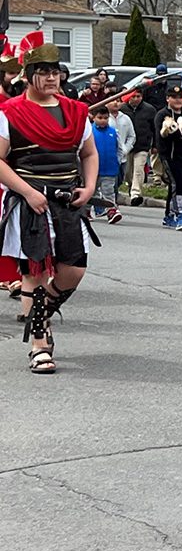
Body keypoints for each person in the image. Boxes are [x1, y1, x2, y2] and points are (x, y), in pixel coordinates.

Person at [0, 32, 99, 374]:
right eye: (43, 71)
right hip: (31, 202)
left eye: (55, 70)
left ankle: (38, 316)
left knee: (74, 269)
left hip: (67, 200)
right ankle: (39, 344)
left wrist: (88, 188)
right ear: (28, 75)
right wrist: (26, 191)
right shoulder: (9, 113)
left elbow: (88, 153)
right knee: (35, 272)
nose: (52, 77)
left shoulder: (76, 112)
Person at [155, 85, 182, 230]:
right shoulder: (162, 115)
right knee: (178, 184)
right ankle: (181, 215)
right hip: (169, 155)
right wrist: (181, 133)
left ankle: (169, 215)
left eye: (180, 97)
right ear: (167, 99)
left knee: (176, 185)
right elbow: (162, 136)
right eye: (174, 97)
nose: (177, 100)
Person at [121, 88, 157, 206]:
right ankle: (131, 185)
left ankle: (136, 193)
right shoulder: (123, 109)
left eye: (138, 96)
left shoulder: (149, 110)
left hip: (142, 145)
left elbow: (154, 129)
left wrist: (155, 144)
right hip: (126, 146)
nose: (136, 99)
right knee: (127, 171)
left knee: (138, 169)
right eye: (133, 96)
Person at [89, 105, 123, 224]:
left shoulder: (113, 132)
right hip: (93, 170)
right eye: (100, 117)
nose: (103, 120)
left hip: (109, 168)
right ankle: (87, 211)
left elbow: (119, 149)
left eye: (105, 118)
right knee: (91, 191)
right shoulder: (89, 132)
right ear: (93, 118)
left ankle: (111, 211)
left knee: (109, 191)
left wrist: (117, 161)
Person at [106, 90, 135, 195]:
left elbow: (132, 136)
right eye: (112, 100)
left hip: (122, 157)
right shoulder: (104, 119)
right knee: (109, 182)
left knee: (119, 180)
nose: (115, 103)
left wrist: (126, 149)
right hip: (107, 156)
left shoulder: (126, 118)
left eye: (118, 101)